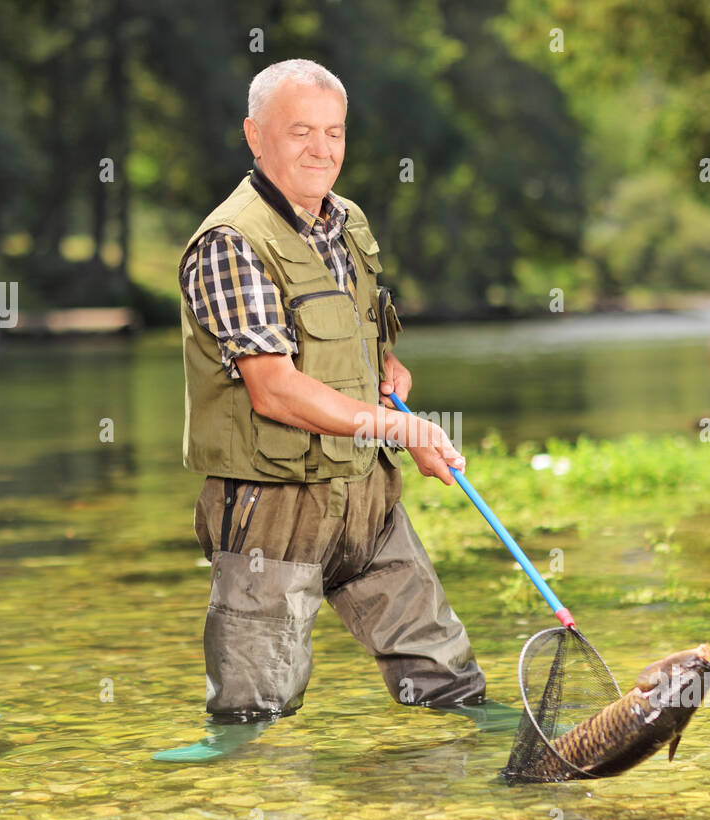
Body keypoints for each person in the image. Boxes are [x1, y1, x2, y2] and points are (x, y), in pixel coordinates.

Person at [156, 59, 499, 762]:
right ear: (256, 136)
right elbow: (273, 389)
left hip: (364, 496)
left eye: (334, 132)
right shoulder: (231, 243)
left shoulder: (348, 223)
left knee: (449, 681)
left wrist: (387, 377)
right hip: (271, 513)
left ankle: (494, 770)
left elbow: (362, 346)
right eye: (300, 131)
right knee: (253, 724)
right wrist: (401, 427)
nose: (322, 149)